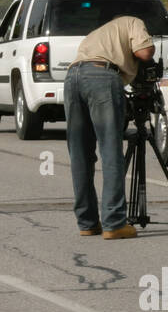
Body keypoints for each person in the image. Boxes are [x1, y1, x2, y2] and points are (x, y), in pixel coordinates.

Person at [65, 15, 155, 240]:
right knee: (110, 151)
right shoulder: (133, 21)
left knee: (80, 154)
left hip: (73, 77)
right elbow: (144, 52)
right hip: (102, 77)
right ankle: (114, 223)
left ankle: (87, 223)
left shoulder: (97, 35)